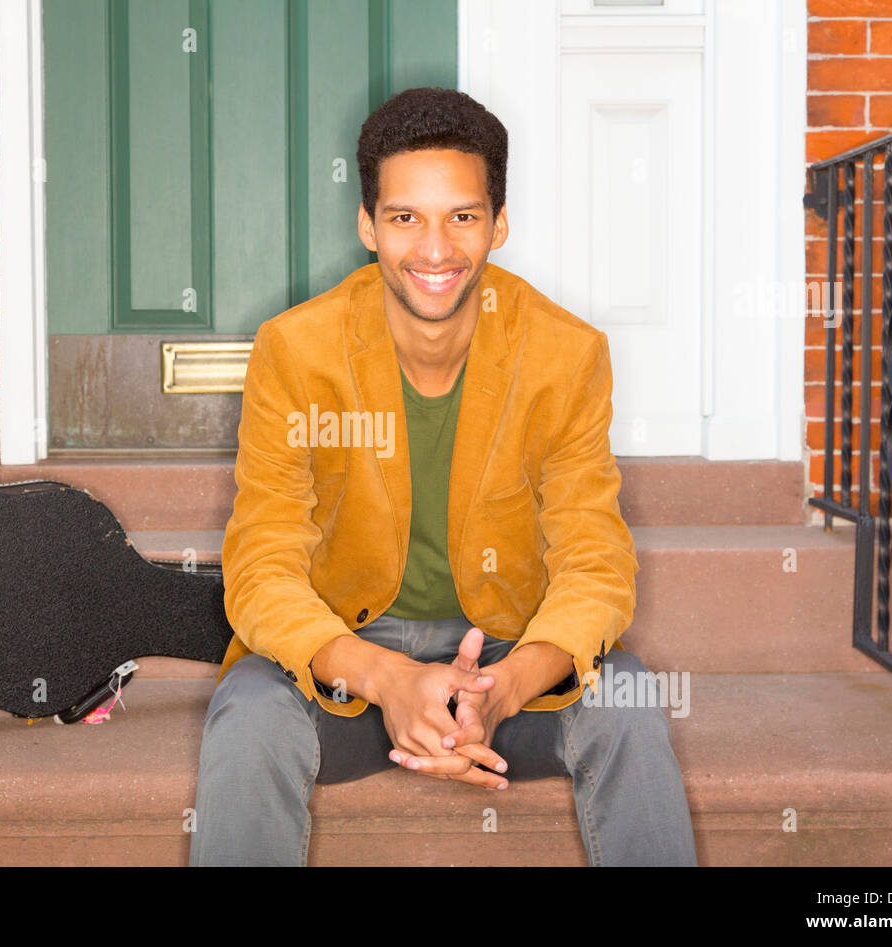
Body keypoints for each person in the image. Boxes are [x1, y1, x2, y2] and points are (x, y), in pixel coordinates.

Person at [189, 86, 696, 866]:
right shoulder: (297, 352)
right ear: (366, 225)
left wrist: (510, 687)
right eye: (404, 218)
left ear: (499, 223)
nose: (435, 249)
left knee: (626, 698)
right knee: (250, 707)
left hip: (510, 662)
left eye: (462, 216)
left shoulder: (566, 355)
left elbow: (595, 558)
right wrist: (388, 680)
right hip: (352, 669)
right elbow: (261, 567)